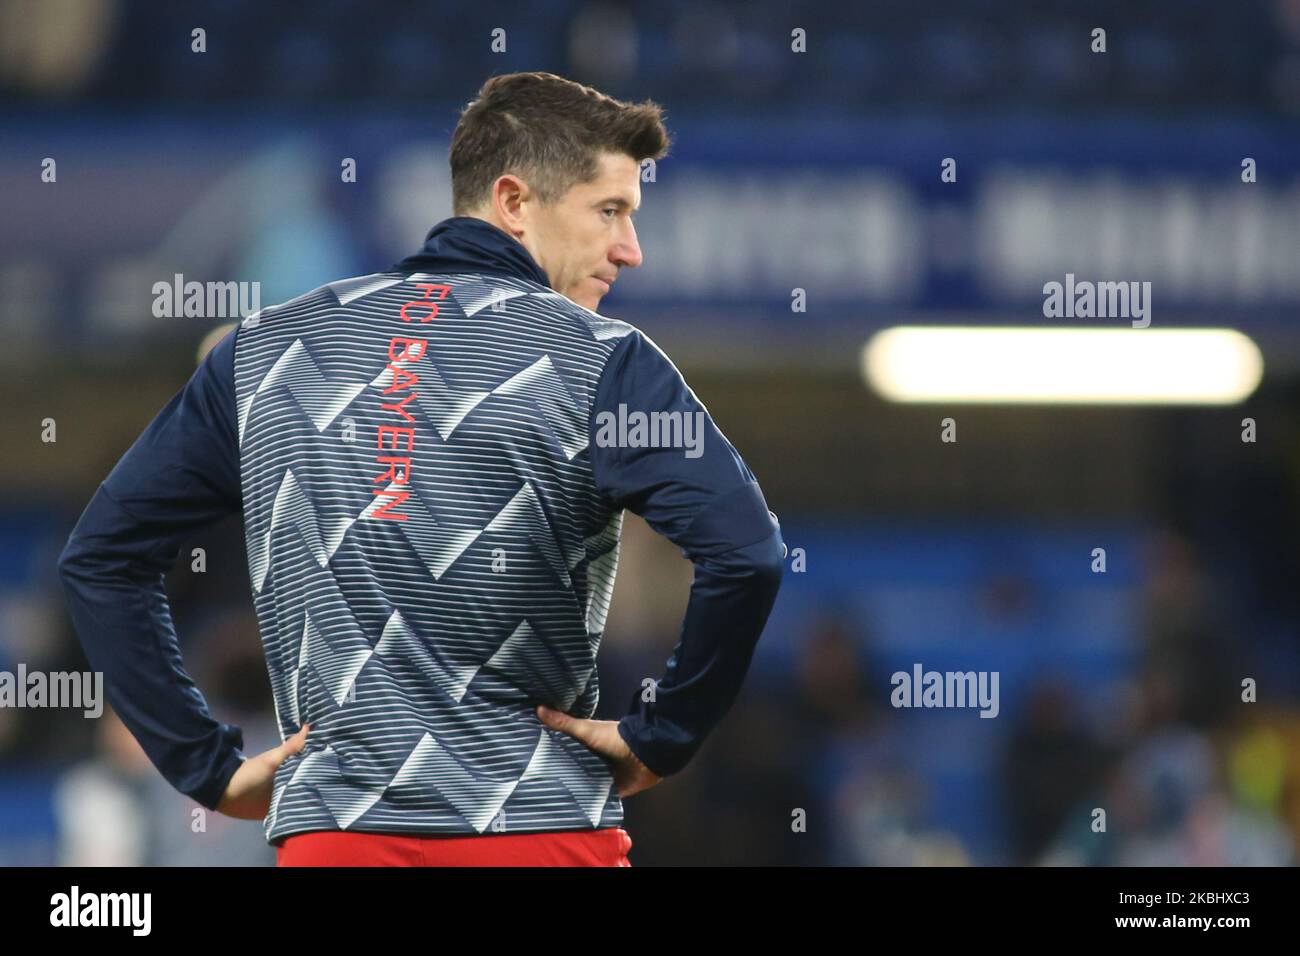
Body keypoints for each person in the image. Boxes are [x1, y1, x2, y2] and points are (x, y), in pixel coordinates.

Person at [58, 71, 785, 867]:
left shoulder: (266, 349)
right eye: (609, 211)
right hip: (540, 831)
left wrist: (205, 766)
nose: (630, 249)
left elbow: (102, 558)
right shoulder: (605, 363)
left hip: (338, 839)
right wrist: (664, 735)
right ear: (514, 202)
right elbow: (747, 555)